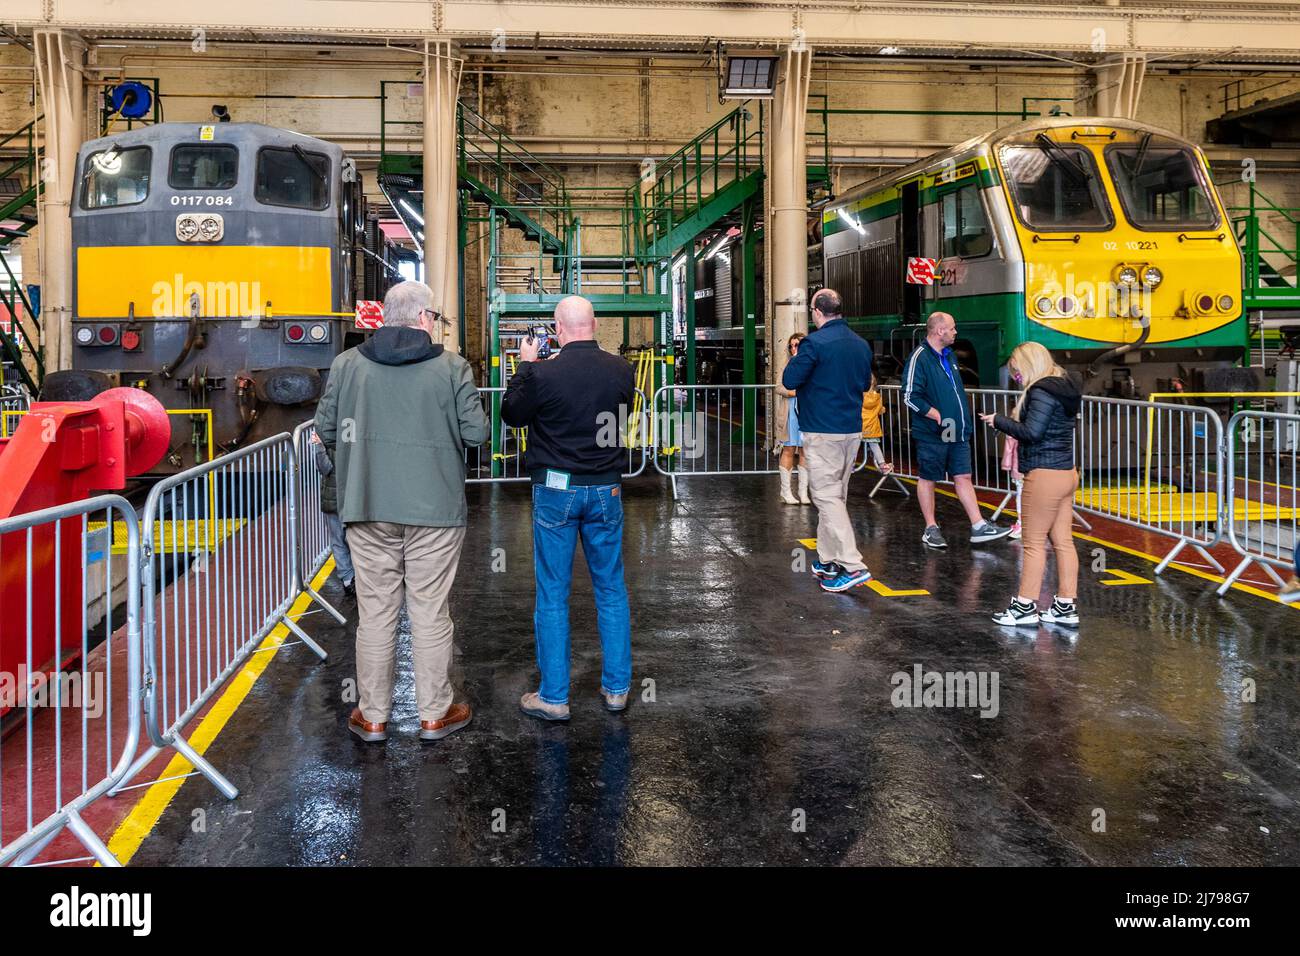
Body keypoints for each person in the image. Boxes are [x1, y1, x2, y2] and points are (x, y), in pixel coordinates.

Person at [315, 280, 489, 743]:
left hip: (367, 506)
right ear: (424, 319)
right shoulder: (452, 368)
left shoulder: (347, 365)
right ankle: (434, 714)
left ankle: (372, 716)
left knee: (375, 614)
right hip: (435, 509)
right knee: (430, 612)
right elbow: (476, 434)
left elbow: (325, 427)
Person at [502, 295, 636, 722]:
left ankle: (555, 697)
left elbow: (512, 416)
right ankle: (617, 690)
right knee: (611, 589)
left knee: (553, 593)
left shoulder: (541, 373)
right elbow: (617, 416)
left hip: (556, 492)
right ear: (594, 324)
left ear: (558, 329)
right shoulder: (622, 370)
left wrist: (524, 366)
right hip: (606, 490)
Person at [979, 341, 1081, 627]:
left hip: (1044, 473)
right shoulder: (1066, 387)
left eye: (1017, 372)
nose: (1016, 378)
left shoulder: (1040, 391)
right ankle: (1065, 605)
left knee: (1033, 543)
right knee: (1063, 542)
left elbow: (1032, 432)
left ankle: (1024, 606)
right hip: (1067, 472)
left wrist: (999, 421)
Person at [781, 288, 874, 593]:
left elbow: (789, 380)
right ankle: (827, 558)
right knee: (836, 495)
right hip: (851, 430)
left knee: (825, 496)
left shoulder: (814, 343)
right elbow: (863, 384)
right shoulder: (860, 345)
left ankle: (852, 564)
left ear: (817, 312)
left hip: (822, 431)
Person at [902, 311, 1011, 549]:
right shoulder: (919, 358)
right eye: (952, 328)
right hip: (933, 432)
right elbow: (910, 396)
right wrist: (936, 415)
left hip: (958, 431)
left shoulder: (949, 356)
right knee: (929, 477)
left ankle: (978, 525)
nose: (955, 332)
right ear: (940, 330)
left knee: (963, 475)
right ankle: (931, 528)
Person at [310, 431, 355, 597]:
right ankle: (355, 577)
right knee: (355, 538)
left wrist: (318, 447)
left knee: (338, 540)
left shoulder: (325, 436)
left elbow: (325, 468)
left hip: (333, 497)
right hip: (353, 497)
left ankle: (348, 579)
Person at [774, 332, 811, 505]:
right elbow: (778, 387)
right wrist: (793, 392)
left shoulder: (812, 365)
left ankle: (803, 493)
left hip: (807, 412)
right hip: (790, 412)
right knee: (789, 449)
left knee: (804, 451)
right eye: (791, 345)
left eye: (797, 344)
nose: (794, 348)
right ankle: (786, 492)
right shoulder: (787, 365)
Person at [860, 374, 893, 476]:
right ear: (874, 384)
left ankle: (850, 465)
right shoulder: (877, 398)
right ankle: (883, 465)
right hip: (872, 428)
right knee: (874, 446)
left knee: (853, 446)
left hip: (859, 426)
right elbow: (881, 411)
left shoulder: (858, 396)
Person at [1000, 436, 1024, 540]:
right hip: (1037, 466)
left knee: (1021, 495)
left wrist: (1007, 465)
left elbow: (1009, 447)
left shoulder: (1014, 424)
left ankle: (1021, 523)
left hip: (1019, 466)